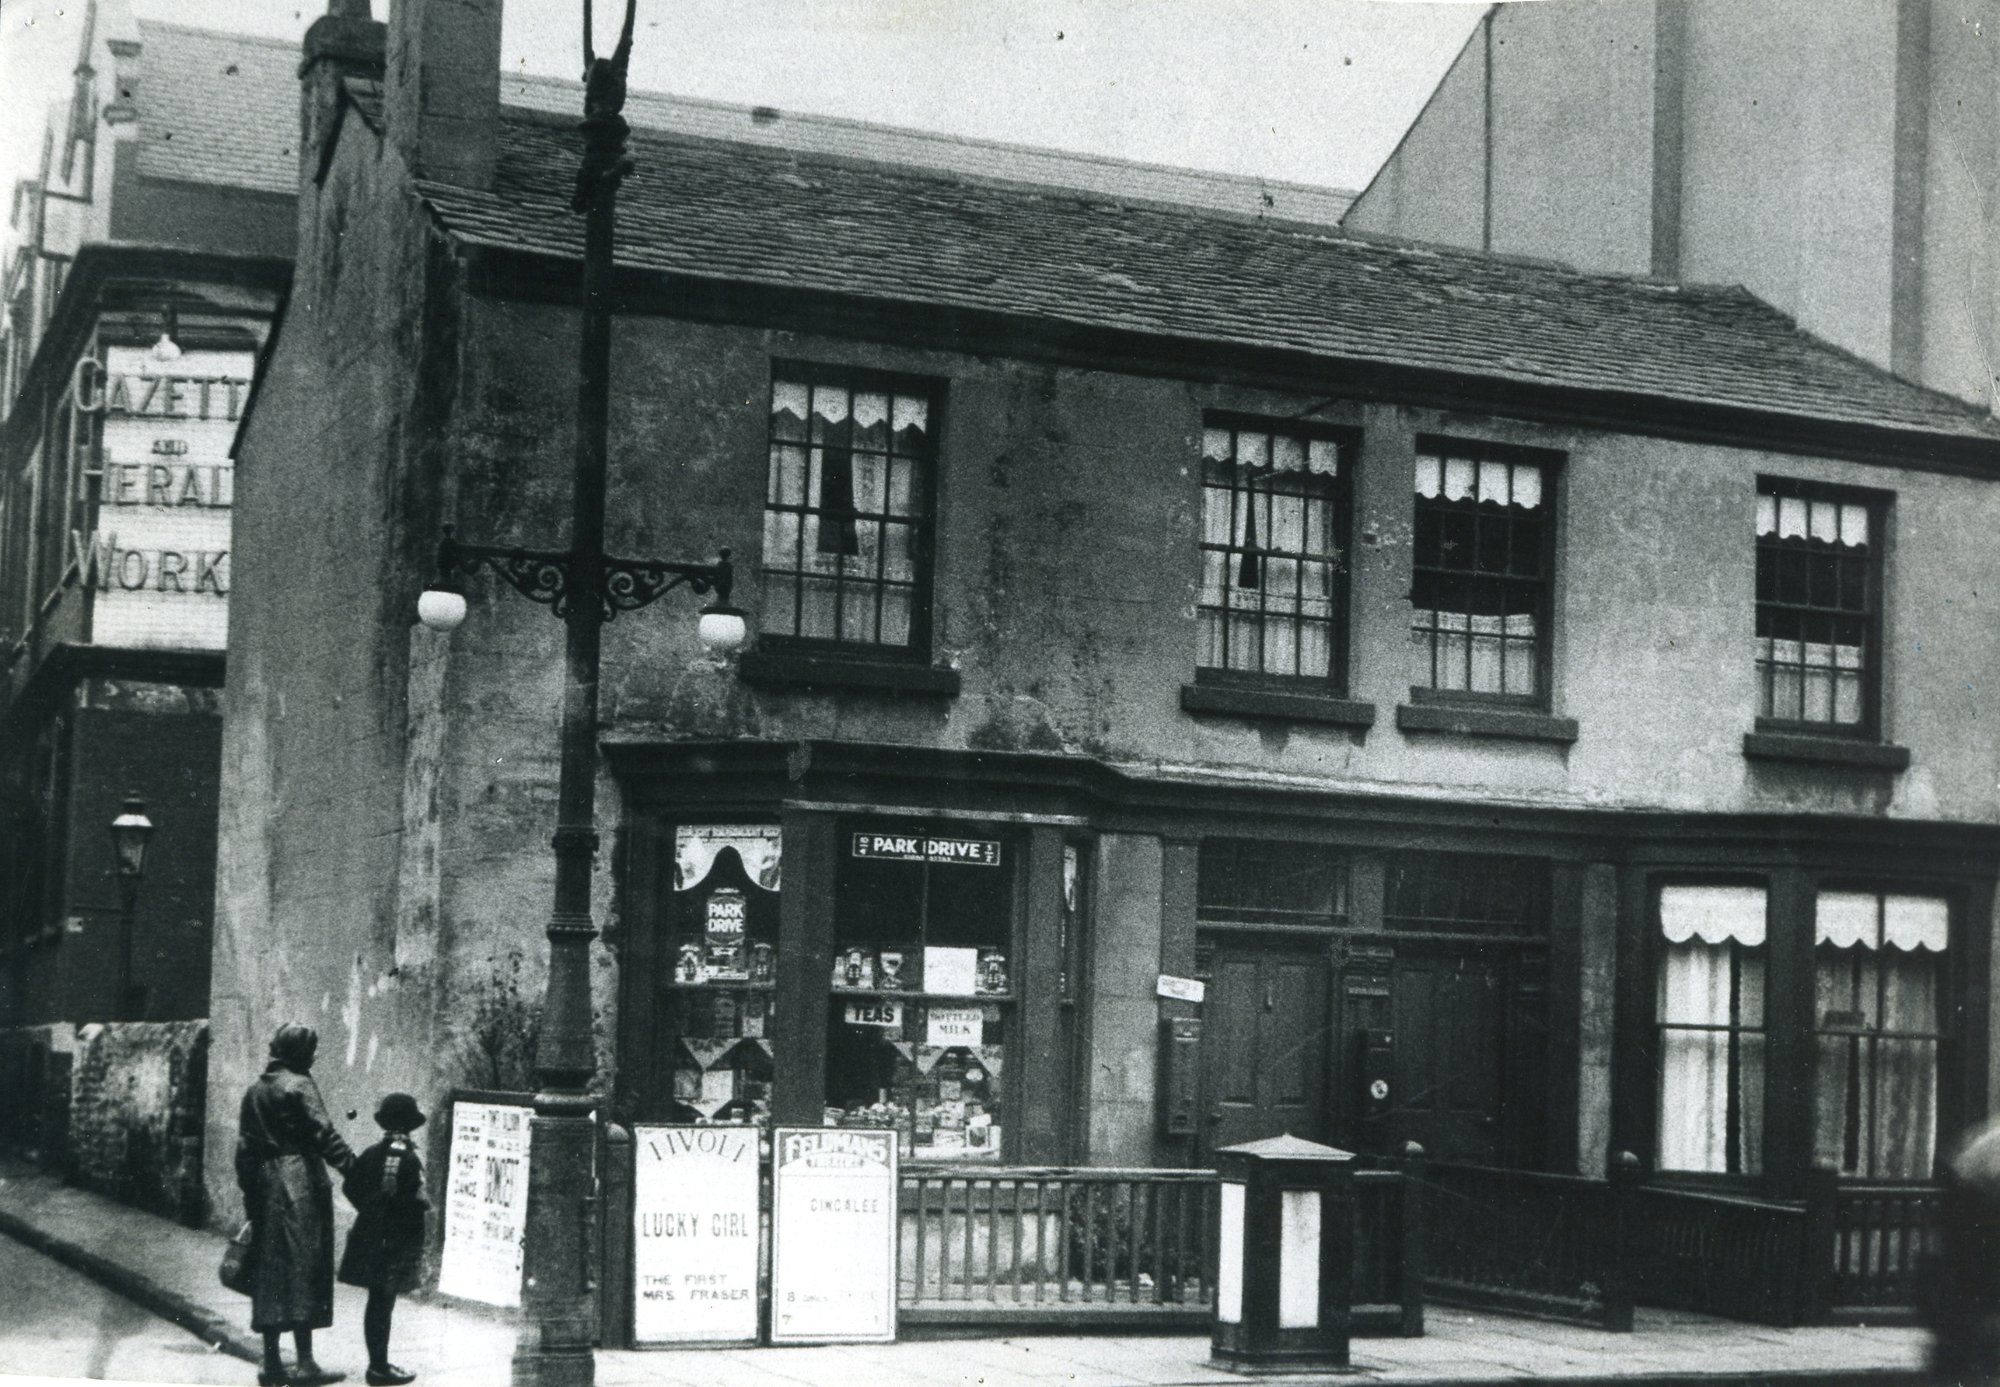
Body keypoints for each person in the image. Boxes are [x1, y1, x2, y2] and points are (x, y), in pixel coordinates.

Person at [236, 1024, 355, 1387]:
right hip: (300, 1180)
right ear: (298, 1051)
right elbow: (324, 1134)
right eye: (311, 1050)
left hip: (265, 1184)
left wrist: (251, 1193)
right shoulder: (300, 1084)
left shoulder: (255, 1091)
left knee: (270, 1271)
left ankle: (271, 1364)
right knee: (305, 1265)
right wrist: (354, 1169)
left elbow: (244, 1150)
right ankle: (305, 1363)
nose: (314, 1056)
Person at [338, 1093, 429, 1387]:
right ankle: (378, 1368)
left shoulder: (371, 1154)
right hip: (394, 1242)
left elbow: (350, 1185)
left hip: (369, 1238)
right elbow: (415, 1203)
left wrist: (369, 1210)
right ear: (410, 1126)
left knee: (376, 1301)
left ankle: (378, 1363)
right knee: (383, 1303)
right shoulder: (410, 1158)